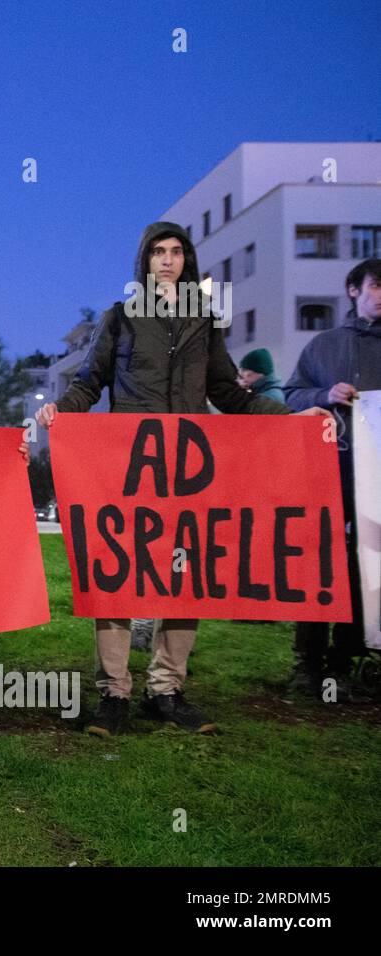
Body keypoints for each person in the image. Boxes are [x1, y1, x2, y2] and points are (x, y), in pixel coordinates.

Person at [36, 222, 327, 737]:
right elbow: (90, 381)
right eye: (157, 252)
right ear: (144, 262)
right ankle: (114, 695)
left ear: (186, 261)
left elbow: (228, 393)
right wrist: (61, 410)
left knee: (185, 575)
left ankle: (166, 690)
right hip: (130, 465)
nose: (167, 260)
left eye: (175, 252)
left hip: (189, 470)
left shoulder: (204, 321)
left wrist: (290, 419)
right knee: (117, 575)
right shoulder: (121, 317)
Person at [284, 258, 381, 699]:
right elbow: (290, 398)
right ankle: (310, 662)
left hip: (377, 482)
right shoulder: (324, 346)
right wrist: (325, 394)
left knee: (371, 568)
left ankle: (352, 658)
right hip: (331, 477)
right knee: (322, 565)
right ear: (353, 289)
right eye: (377, 285)